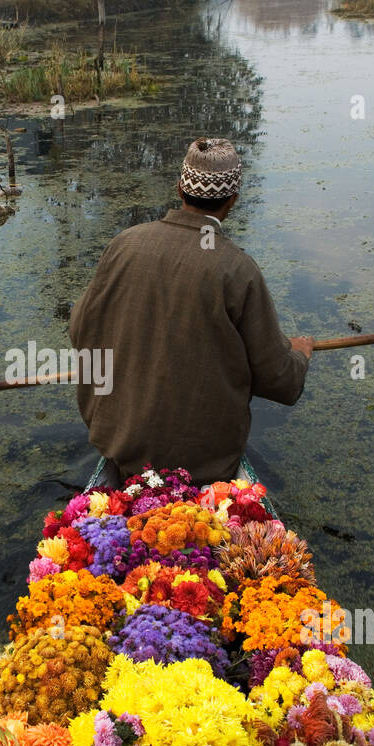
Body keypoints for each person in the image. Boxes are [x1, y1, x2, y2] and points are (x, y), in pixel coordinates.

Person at [69, 136, 314, 486]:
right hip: (204, 462)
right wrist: (300, 355)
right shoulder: (237, 269)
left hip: (121, 442)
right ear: (232, 201)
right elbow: (279, 380)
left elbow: (80, 329)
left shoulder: (123, 245)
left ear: (180, 190)